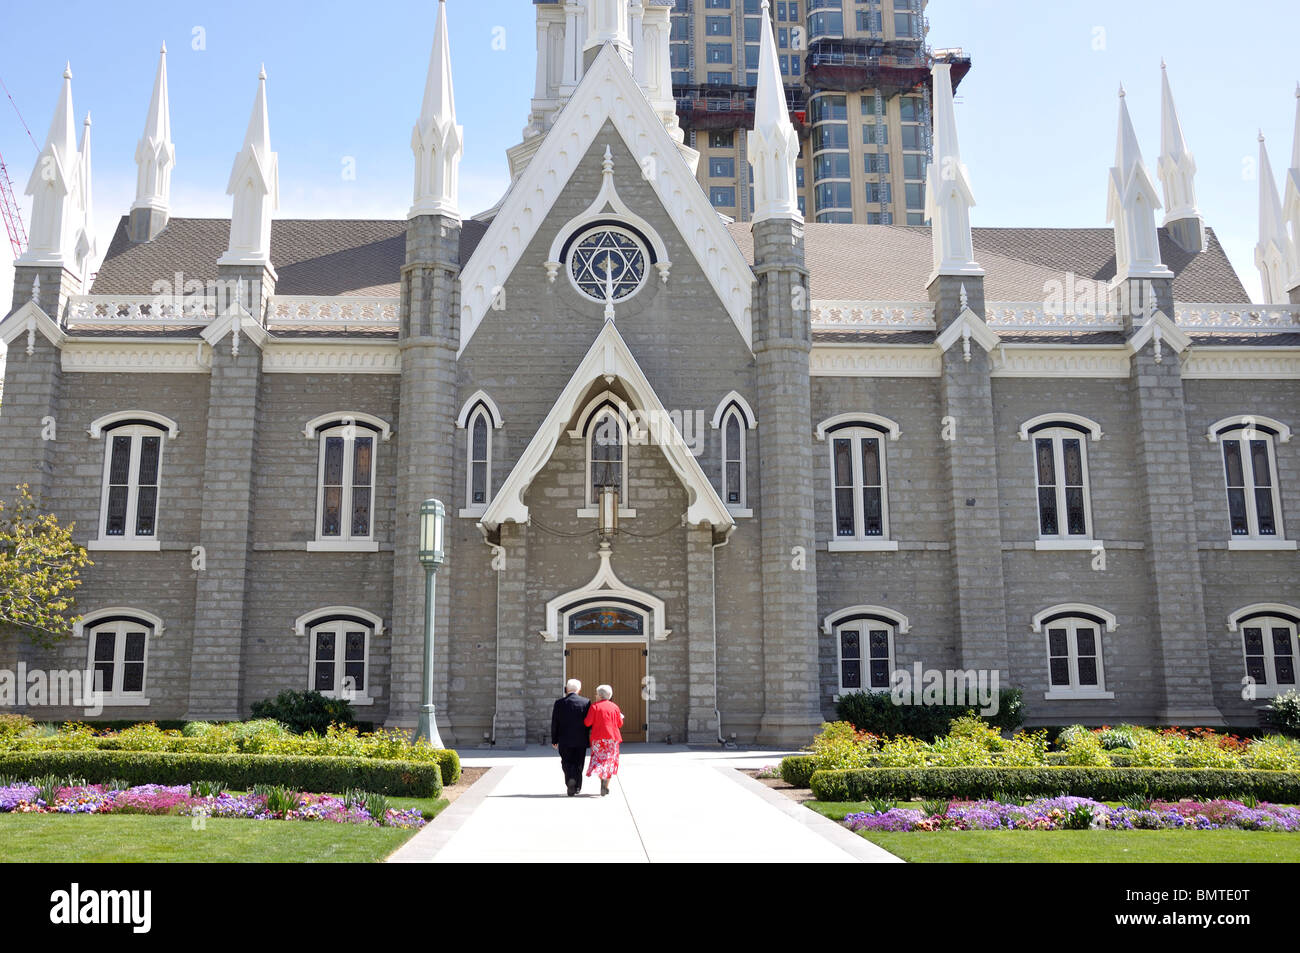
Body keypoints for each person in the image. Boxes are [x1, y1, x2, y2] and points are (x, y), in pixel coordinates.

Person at [550, 678, 591, 797]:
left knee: (566, 761)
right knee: (579, 763)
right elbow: (589, 722)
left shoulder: (559, 703)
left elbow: (555, 723)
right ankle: (577, 786)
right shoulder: (586, 702)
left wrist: (554, 739)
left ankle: (569, 780)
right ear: (579, 689)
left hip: (564, 739)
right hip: (580, 739)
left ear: (567, 689)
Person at [583, 683, 624, 796]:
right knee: (609, 760)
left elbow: (587, 723)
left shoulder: (594, 706)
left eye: (596, 694)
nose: (595, 695)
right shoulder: (615, 707)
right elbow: (620, 724)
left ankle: (602, 780)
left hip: (598, 738)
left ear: (600, 696)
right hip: (612, 738)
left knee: (599, 759)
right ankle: (605, 785)